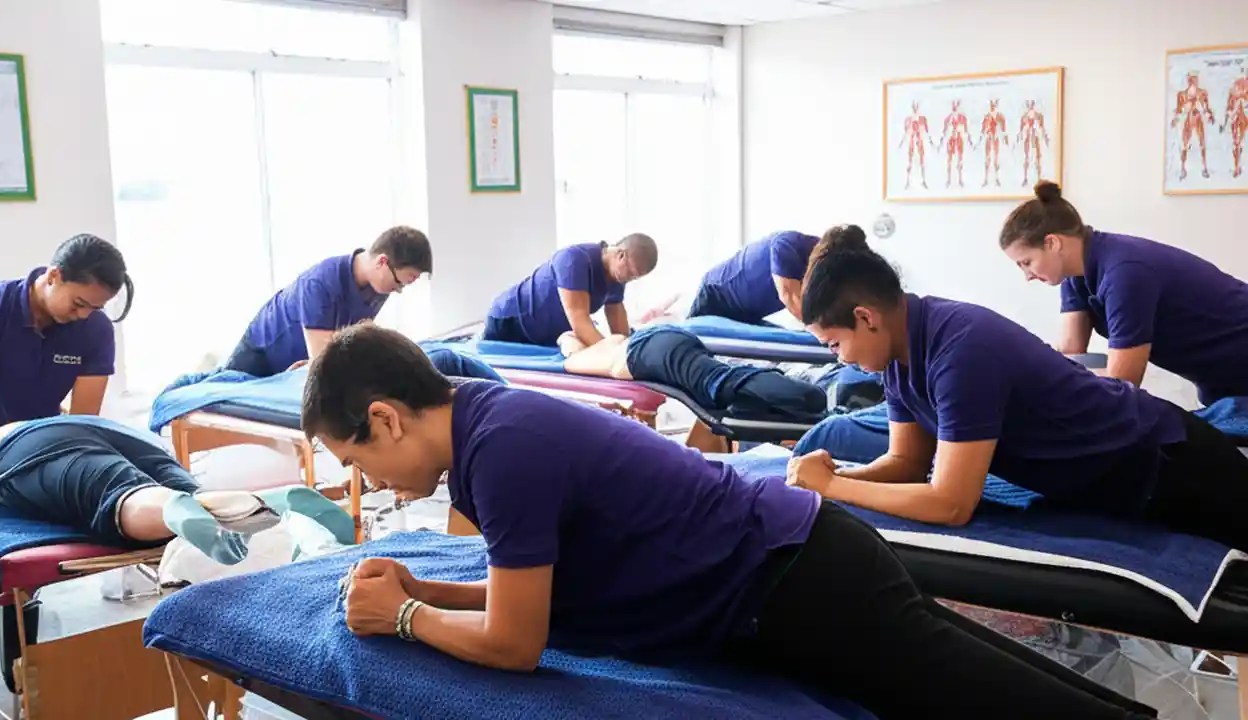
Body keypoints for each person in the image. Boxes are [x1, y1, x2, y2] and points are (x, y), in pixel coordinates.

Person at [301, 324, 1155, 720]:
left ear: (384, 419)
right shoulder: (486, 421)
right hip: (793, 565)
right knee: (967, 673)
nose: (366, 478)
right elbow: (534, 587)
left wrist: (407, 617)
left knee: (978, 697)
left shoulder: (501, 451)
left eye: (354, 458)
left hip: (797, 578)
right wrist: (424, 585)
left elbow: (516, 643)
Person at [791, 246, 1248, 549]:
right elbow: (908, 461)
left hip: (1171, 464)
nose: (840, 358)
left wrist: (833, 487)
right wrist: (845, 475)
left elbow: (951, 503)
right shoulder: (897, 358)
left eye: (834, 344)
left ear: (865, 317)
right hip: (1116, 480)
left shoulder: (961, 350)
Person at [0, 415, 350, 561]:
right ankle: (269, 502)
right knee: (193, 496)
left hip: (24, 451)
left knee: (117, 496)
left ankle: (176, 507)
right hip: (114, 430)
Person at [1000, 181, 1248, 406]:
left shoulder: (1126, 273)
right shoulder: (1076, 273)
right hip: (1220, 380)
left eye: (1026, 262)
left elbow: (1122, 383)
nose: (1027, 276)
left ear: (1053, 243)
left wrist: (1036, 378)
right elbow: (1071, 352)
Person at [0, 234, 133, 441]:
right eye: (79, 303)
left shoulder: (95, 329)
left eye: (95, 308)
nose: (83, 315)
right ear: (54, 276)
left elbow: (83, 420)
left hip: (41, 442)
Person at [226, 226, 432, 377]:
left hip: (294, 364)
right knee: (216, 386)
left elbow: (351, 341)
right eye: (399, 283)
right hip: (260, 354)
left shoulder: (378, 287)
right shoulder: (321, 284)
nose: (398, 290)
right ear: (382, 262)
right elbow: (323, 362)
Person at [558, 327, 826, 423]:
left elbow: (810, 397)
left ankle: (569, 340)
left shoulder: (732, 383)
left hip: (666, 346)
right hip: (663, 347)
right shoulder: (726, 386)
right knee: (574, 363)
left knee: (597, 355)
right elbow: (811, 397)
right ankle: (566, 339)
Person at [483, 235, 657, 348]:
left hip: (545, 337)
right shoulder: (574, 260)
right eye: (631, 273)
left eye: (635, 278)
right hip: (509, 323)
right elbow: (580, 322)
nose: (630, 279)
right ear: (620, 255)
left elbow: (619, 327)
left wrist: (628, 350)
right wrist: (611, 355)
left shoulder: (618, 276)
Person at [691, 227, 864, 325]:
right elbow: (791, 298)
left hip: (748, 314)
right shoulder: (787, 245)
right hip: (716, 297)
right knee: (689, 343)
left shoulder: (827, 268)